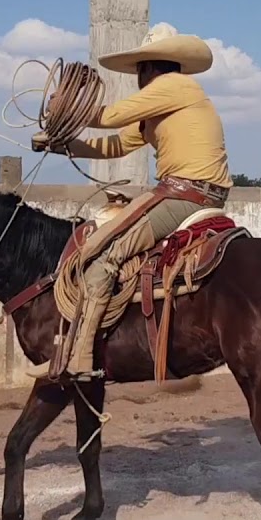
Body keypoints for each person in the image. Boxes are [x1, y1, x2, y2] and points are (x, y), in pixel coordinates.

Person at [29, 23, 233, 382]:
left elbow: (111, 116)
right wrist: (63, 144)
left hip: (183, 193)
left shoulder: (171, 86)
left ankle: (81, 358)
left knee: (103, 253)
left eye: (140, 67)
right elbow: (117, 145)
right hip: (192, 191)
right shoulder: (170, 99)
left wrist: (63, 110)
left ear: (151, 66)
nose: (139, 75)